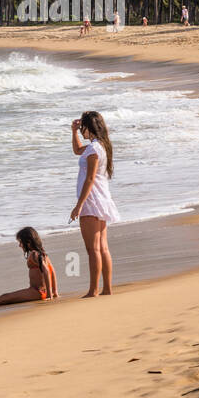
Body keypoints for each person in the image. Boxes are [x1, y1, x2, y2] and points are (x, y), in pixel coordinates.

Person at [70, 111, 120, 297]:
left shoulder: (93, 150)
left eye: (82, 127)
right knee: (103, 247)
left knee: (93, 249)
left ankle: (93, 290)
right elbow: (77, 150)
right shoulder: (101, 146)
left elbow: (89, 179)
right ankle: (106, 288)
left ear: (89, 127)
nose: (82, 130)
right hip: (102, 199)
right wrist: (73, 131)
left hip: (91, 201)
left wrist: (79, 205)